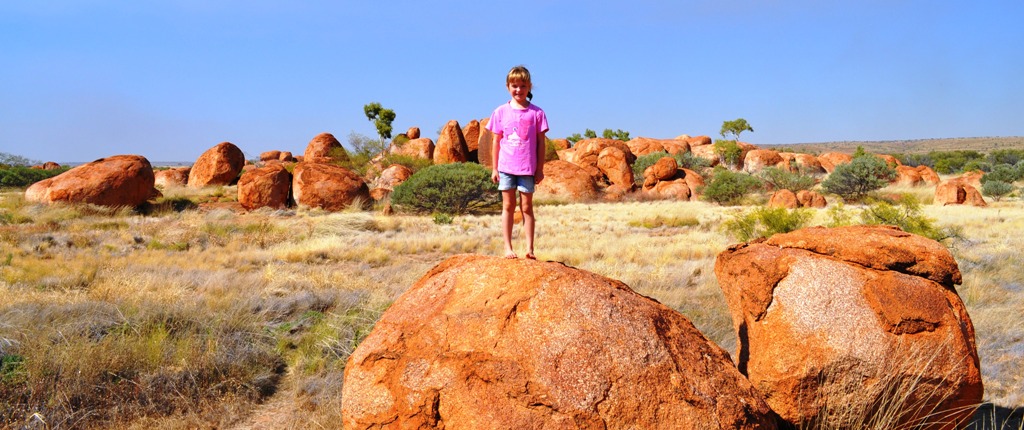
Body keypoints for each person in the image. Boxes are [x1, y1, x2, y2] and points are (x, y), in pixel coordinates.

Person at [487, 65, 549, 260]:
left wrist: (539, 169)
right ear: (508, 87)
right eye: (514, 85)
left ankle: (530, 249)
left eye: (523, 86)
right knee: (507, 206)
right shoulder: (500, 112)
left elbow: (541, 143)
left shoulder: (536, 113)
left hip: (527, 168)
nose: (518, 90)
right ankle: (508, 248)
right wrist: (494, 168)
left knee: (526, 207)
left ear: (529, 87)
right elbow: (496, 141)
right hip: (506, 168)